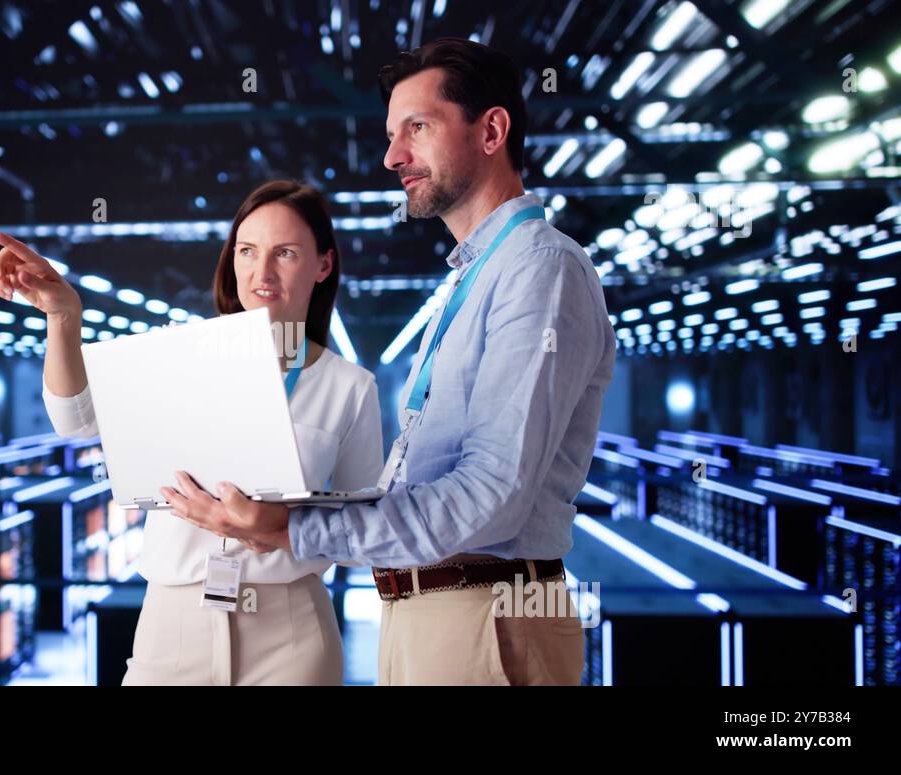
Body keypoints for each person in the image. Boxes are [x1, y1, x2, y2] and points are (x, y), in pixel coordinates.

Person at [164, 38, 616, 686]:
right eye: (390, 134)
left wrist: (293, 528)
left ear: (491, 130)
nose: (392, 155)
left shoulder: (539, 269)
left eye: (417, 128)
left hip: (485, 613)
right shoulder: (475, 278)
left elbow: (491, 496)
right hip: (431, 611)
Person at [0, 180, 384, 685]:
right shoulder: (177, 359)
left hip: (289, 632)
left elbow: (360, 543)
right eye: (247, 251)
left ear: (323, 265)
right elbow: (75, 422)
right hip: (175, 623)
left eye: (284, 253)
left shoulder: (349, 388)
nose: (261, 272)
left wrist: (282, 528)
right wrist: (64, 317)